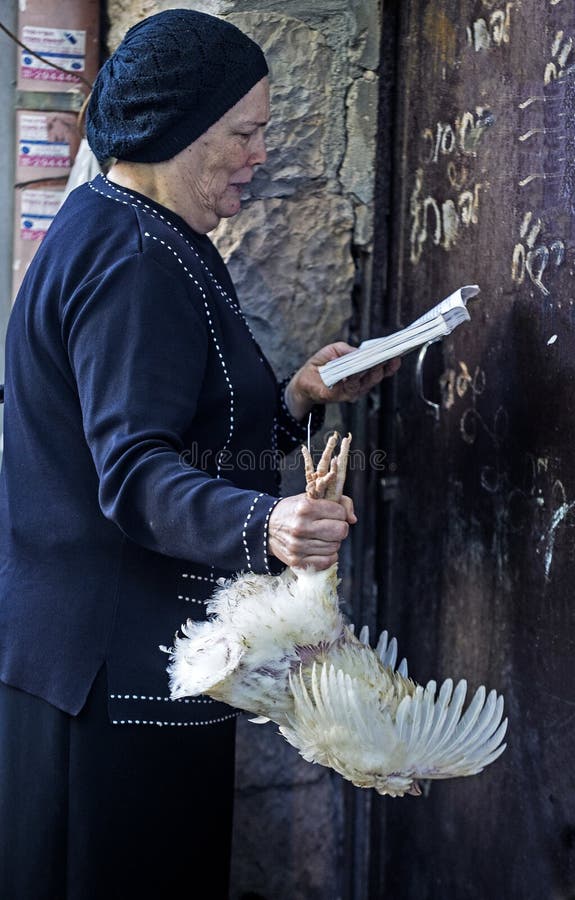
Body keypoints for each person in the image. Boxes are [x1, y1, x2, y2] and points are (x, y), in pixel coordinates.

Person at [0, 9, 400, 899]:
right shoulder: (135, 255)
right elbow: (134, 471)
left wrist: (297, 397)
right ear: (174, 128)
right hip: (108, 679)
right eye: (245, 133)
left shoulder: (126, 229)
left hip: (104, 665)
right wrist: (272, 526)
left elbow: (173, 429)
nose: (261, 154)